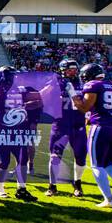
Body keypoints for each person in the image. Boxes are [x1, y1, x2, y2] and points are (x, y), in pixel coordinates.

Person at [73, 63, 112, 208]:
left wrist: (75, 99)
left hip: (101, 127)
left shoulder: (93, 85)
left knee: (96, 165)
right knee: (108, 164)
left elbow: (84, 108)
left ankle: (109, 200)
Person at [0, 66, 41, 202]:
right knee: (4, 161)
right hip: (1, 128)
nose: (12, 77)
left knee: (22, 159)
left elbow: (38, 98)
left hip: (18, 129)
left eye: (13, 75)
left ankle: (21, 189)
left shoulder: (20, 89)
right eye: (10, 75)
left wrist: (25, 106)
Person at [45, 59, 87, 197]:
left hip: (78, 125)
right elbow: (43, 94)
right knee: (55, 156)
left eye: (75, 69)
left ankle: (78, 183)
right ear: (63, 70)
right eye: (70, 69)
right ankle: (52, 185)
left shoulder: (84, 83)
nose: (73, 72)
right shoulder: (56, 82)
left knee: (80, 157)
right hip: (60, 125)